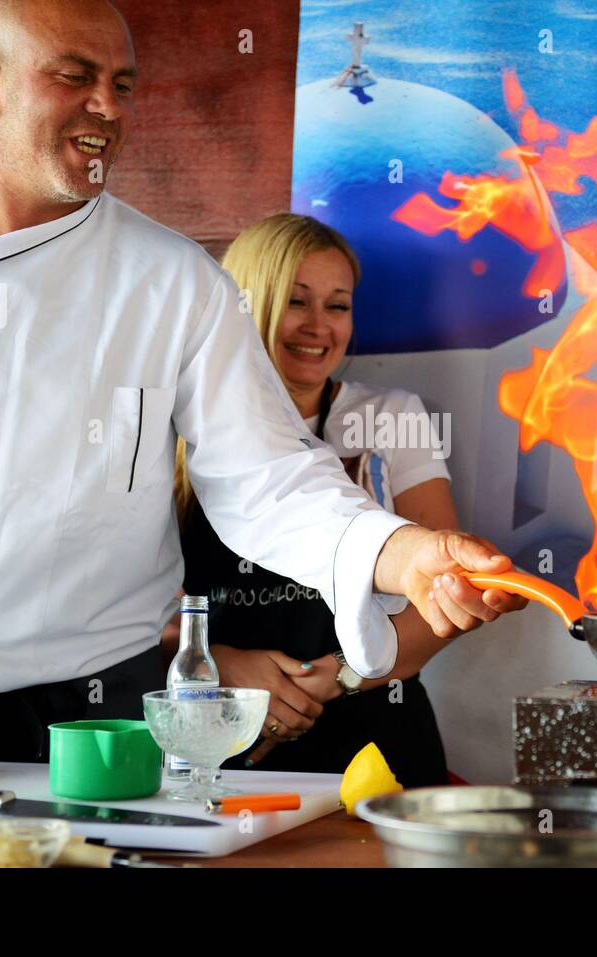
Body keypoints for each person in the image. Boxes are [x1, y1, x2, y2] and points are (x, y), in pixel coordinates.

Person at [0, 0, 525, 789]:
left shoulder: (176, 282)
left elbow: (270, 477)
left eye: (122, 85)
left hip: (104, 722)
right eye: (74, 77)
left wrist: (401, 552)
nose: (109, 108)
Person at [172, 214, 458, 786]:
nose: (319, 326)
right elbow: (128, 605)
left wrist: (342, 675)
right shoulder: (176, 426)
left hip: (374, 729)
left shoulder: (391, 416)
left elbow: (445, 591)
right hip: (221, 728)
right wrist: (218, 664)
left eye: (338, 305)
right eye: (296, 301)